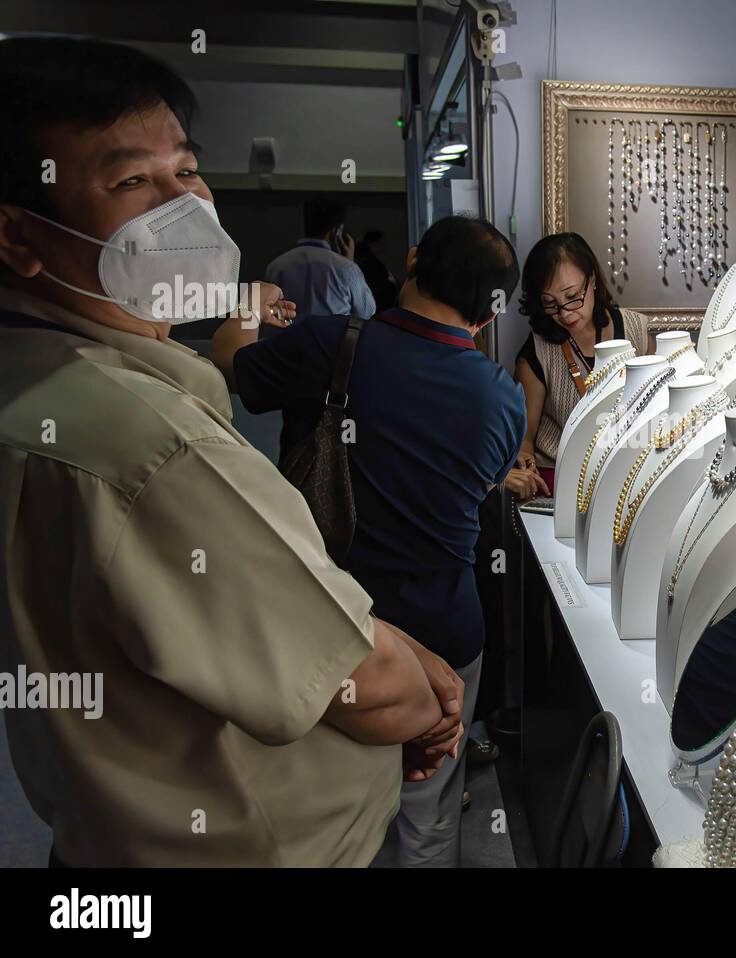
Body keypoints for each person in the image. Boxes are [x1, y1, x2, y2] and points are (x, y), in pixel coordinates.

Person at [0, 36, 462, 867]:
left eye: (186, 168)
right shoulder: (146, 444)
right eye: (131, 181)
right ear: (17, 236)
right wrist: (424, 696)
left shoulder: (35, 385)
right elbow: (358, 684)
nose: (185, 205)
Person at [220, 215, 526, 867]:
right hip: (447, 626)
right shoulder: (499, 393)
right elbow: (490, 481)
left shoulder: (330, 343)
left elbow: (227, 369)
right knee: (431, 813)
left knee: (328, 806)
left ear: (413, 260)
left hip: (333, 626)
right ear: (490, 311)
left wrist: (249, 304)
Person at [511, 232, 650, 497]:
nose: (564, 313)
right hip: (562, 482)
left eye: (572, 296)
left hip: (629, 477)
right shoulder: (537, 353)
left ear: (593, 279)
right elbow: (524, 442)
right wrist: (523, 466)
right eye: (550, 304)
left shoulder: (635, 330)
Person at [265, 196, 376, 319]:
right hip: (331, 338)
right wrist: (349, 262)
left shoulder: (275, 266)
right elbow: (367, 312)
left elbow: (268, 312)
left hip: (286, 338)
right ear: (337, 231)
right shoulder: (346, 268)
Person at [356, 229, 399, 313]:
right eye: (381, 243)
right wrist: (393, 283)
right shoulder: (371, 264)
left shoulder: (363, 260)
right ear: (373, 244)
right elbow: (380, 288)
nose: (383, 246)